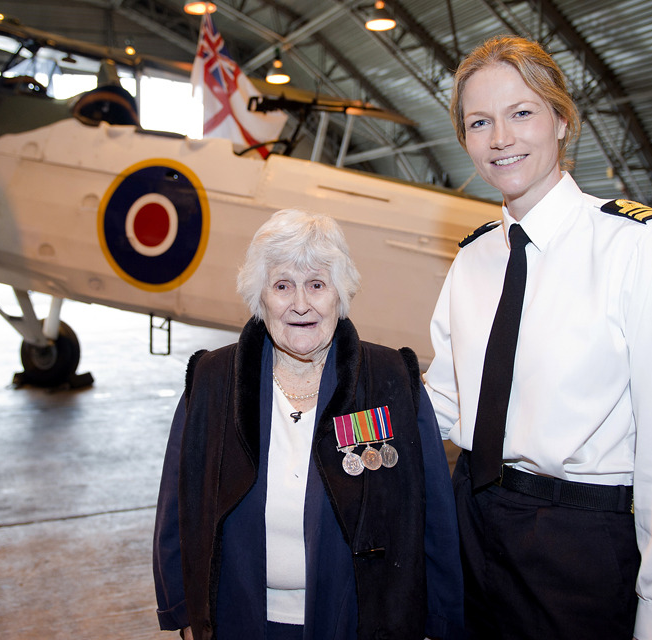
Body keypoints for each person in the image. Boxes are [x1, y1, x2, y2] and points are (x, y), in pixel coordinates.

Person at [423, 35, 652, 640]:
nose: (501, 138)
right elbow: (444, 400)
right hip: (470, 519)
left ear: (560, 119)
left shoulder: (638, 247)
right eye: (480, 122)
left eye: (522, 113)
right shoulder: (474, 259)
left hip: (579, 540)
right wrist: (334, 403)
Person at [154, 209, 464, 640]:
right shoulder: (213, 380)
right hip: (239, 619)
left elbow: (434, 514)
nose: (301, 304)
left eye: (317, 285)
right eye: (282, 286)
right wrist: (185, 614)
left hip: (360, 621)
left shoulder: (392, 378)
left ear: (340, 294)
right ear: (260, 296)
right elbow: (177, 504)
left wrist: (440, 621)